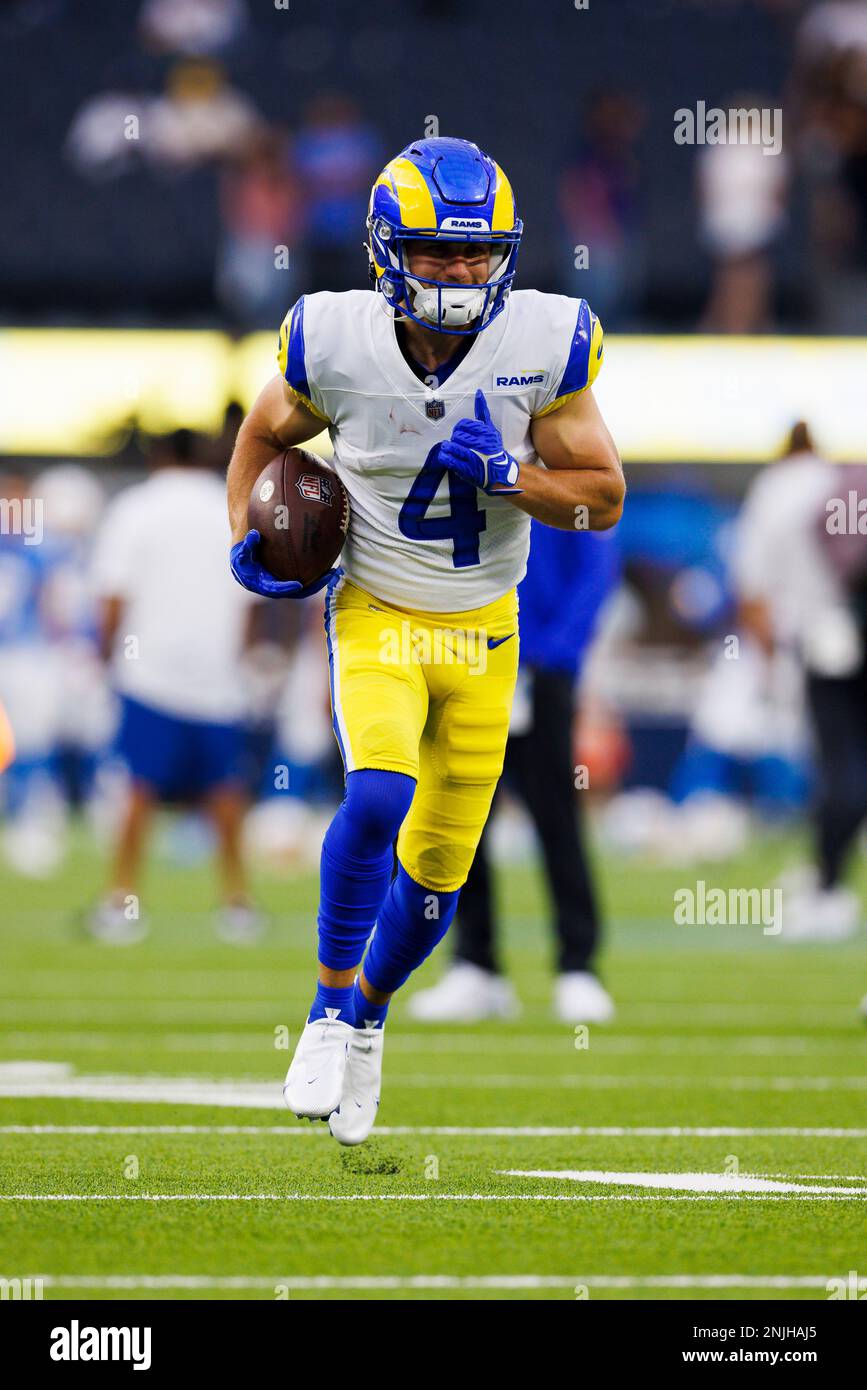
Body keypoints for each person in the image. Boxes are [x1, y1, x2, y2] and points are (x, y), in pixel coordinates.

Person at [228, 136, 624, 1145]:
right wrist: (249, 536)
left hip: (487, 629)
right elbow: (262, 437)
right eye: (436, 253)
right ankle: (324, 1007)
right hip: (376, 609)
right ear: (383, 250)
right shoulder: (334, 338)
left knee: (441, 872)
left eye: (477, 252)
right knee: (376, 795)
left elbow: (602, 503)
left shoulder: (545, 341)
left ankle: (368, 1016)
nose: (459, 271)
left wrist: (517, 478)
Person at [409, 523, 619, 1025]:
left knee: (556, 816)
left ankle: (577, 965)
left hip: (539, 670)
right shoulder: (458, 458)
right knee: (462, 819)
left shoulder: (556, 467)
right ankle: (475, 964)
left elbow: (594, 569)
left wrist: (554, 654)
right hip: (464, 660)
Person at [90, 429, 263, 944]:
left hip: (150, 675)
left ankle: (121, 902)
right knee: (226, 793)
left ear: (158, 457)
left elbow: (113, 595)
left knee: (139, 790)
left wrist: (104, 656)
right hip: (219, 675)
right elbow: (253, 597)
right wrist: (247, 660)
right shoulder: (229, 506)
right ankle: (237, 905)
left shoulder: (134, 508)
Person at [735, 422, 864, 939]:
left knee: (838, 769)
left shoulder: (773, 491)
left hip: (818, 639)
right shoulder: (838, 480)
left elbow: (754, 588)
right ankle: (827, 876)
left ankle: (828, 884)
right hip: (841, 629)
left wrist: (767, 664)